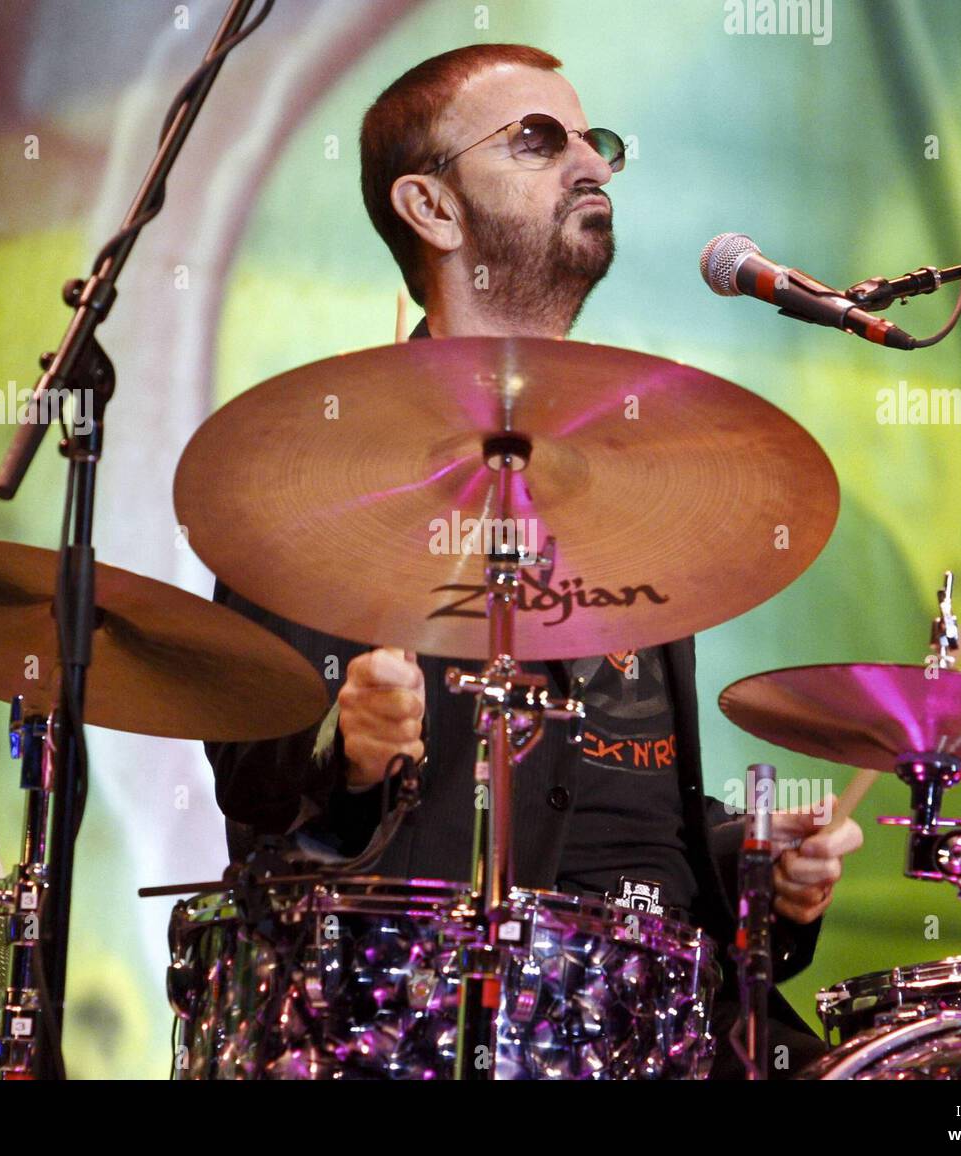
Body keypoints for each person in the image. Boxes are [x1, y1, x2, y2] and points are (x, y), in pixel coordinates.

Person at [206, 42, 863, 1079]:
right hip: (443, 1020)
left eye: (592, 141)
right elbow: (258, 794)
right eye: (536, 140)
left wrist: (764, 873)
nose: (588, 163)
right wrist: (350, 754)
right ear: (430, 206)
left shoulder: (636, 486)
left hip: (665, 1022)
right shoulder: (317, 473)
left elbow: (632, 813)